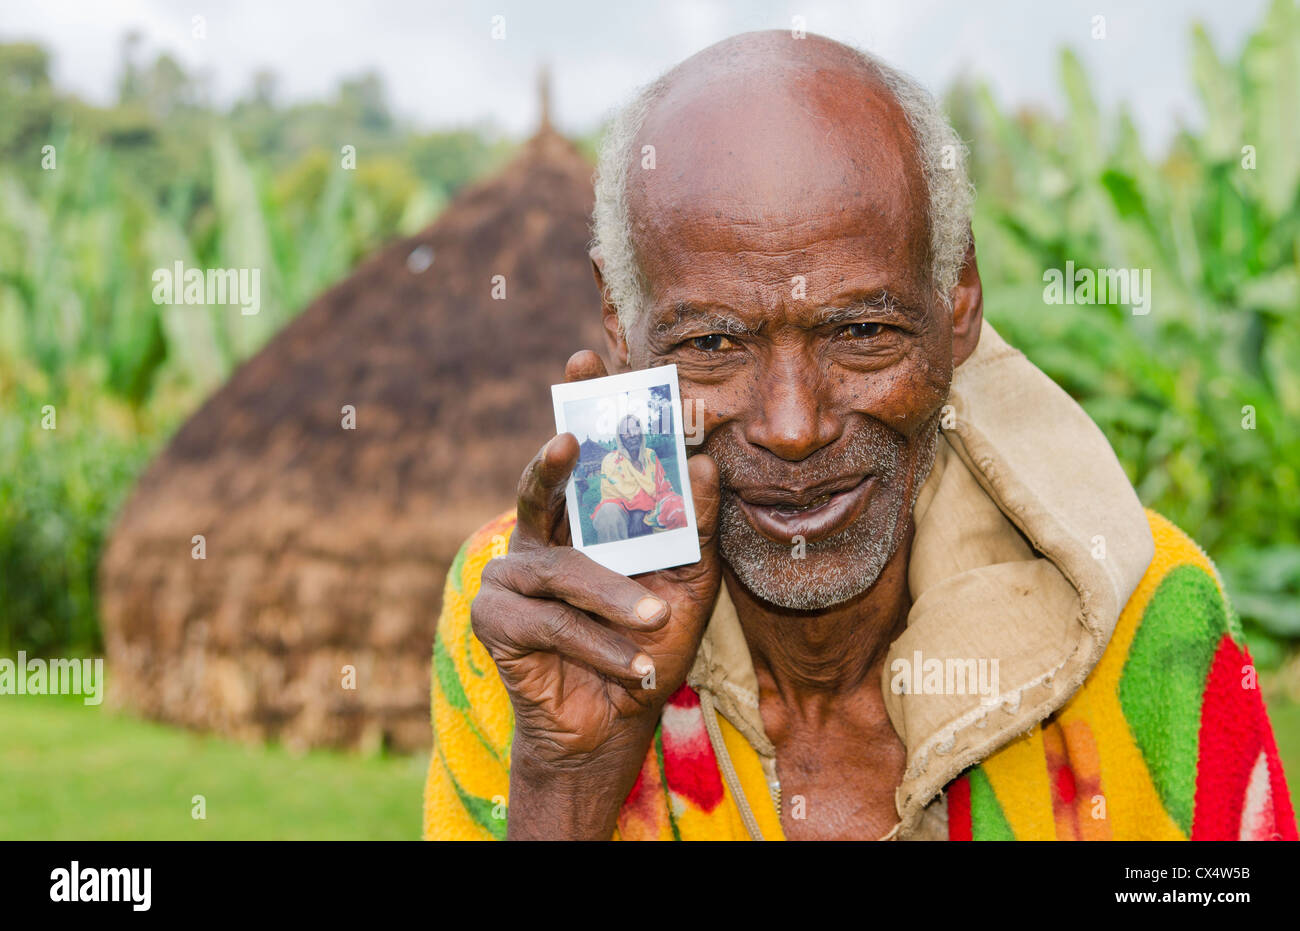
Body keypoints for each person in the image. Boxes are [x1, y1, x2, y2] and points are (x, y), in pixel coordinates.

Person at [423, 31, 1296, 840]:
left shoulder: (1146, 618)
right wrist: (568, 784)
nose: (793, 427)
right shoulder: (536, 620)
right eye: (714, 344)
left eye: (862, 332)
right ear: (619, 323)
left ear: (957, 300)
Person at [591, 413, 686, 542]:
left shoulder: (651, 455)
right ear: (620, 437)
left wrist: (641, 512)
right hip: (622, 509)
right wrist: (637, 511)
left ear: (641, 432)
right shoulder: (611, 461)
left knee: (678, 504)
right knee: (608, 512)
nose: (632, 434)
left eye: (635, 428)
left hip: (653, 506)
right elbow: (611, 496)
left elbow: (663, 489)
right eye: (626, 431)